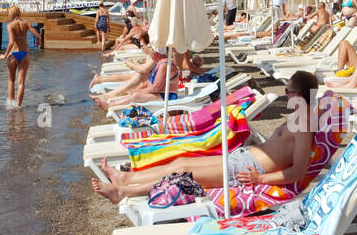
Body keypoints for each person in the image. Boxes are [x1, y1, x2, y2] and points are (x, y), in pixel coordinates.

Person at [91, 71, 321, 205]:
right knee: (179, 163)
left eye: (288, 91)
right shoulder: (299, 118)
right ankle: (126, 178)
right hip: (243, 158)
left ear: (299, 95)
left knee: (182, 175)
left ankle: (124, 192)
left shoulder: (305, 125)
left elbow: (298, 172)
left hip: (249, 168)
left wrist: (260, 180)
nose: (286, 94)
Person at [0, 5, 39, 108]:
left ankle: (11, 104)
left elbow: (12, 42)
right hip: (24, 53)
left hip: (14, 54)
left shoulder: (10, 25)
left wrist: (5, 55)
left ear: (11, 14)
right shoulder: (26, 23)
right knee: (21, 82)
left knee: (11, 80)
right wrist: (38, 42)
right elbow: (38, 35)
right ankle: (18, 106)